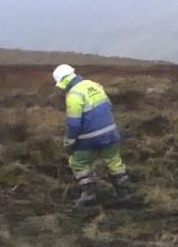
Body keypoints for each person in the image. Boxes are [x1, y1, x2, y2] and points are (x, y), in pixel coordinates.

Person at [52, 64, 131, 206]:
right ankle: (124, 193)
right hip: (111, 133)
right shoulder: (94, 85)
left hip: (89, 139)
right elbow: (109, 106)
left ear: (63, 80)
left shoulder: (74, 95)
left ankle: (89, 194)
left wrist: (69, 142)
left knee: (77, 162)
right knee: (113, 160)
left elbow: (74, 124)